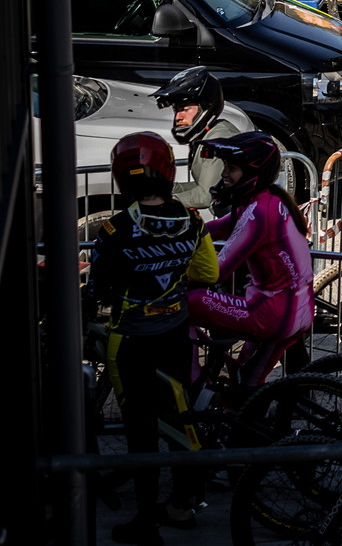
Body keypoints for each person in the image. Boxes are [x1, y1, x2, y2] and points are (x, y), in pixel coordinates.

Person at [87, 133, 219, 544]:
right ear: (167, 171)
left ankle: (145, 522)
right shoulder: (192, 222)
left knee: (139, 431)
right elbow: (209, 274)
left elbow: (97, 291)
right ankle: (182, 506)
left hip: (129, 343)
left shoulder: (114, 229)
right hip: (177, 335)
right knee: (179, 420)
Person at [186, 132, 314, 384]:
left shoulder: (258, 214)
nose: (224, 174)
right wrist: (178, 234)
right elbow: (217, 228)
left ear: (253, 173)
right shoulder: (269, 198)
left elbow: (215, 272)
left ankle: (191, 383)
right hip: (299, 310)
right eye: (224, 166)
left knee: (184, 302)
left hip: (272, 312)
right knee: (247, 390)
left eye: (231, 168)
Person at [154, 66, 245, 211]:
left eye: (184, 109)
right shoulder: (208, 134)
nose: (178, 117)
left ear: (205, 106)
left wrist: (156, 202)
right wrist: (170, 188)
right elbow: (205, 184)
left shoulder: (218, 140)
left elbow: (204, 196)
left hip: (246, 221)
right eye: (176, 110)